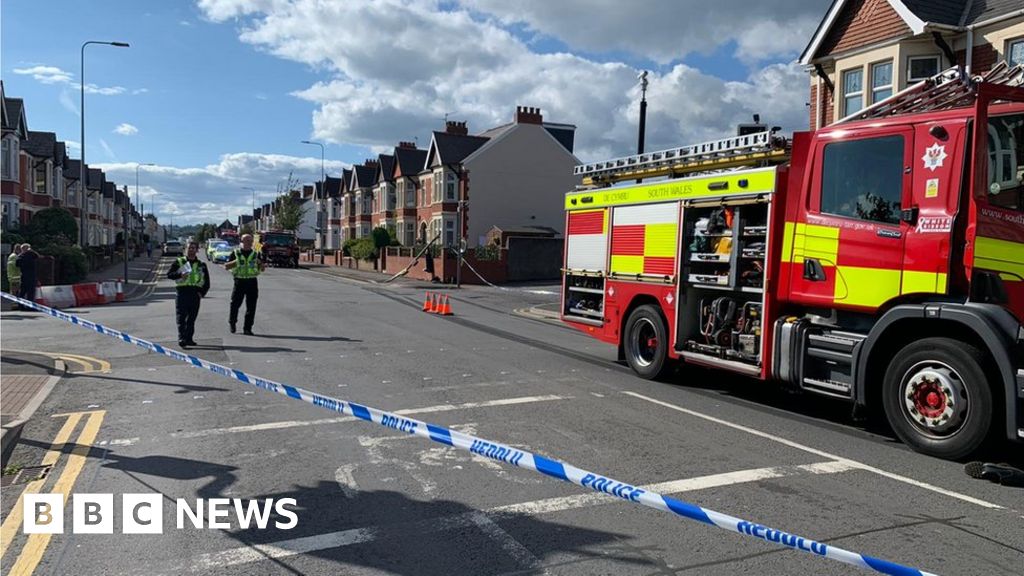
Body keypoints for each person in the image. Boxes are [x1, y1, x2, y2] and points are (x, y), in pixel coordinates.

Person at [167, 241, 210, 348]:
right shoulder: (179, 262)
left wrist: (202, 293)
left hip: (195, 294)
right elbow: (169, 275)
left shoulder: (201, 264)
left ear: (197, 250)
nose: (191, 250)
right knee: (181, 318)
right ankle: (182, 338)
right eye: (189, 248)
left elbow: (206, 281)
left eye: (193, 248)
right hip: (182, 293)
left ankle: (189, 339)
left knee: (191, 318)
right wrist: (180, 274)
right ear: (186, 249)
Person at [225, 233, 265, 335]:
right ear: (241, 242)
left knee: (251, 307)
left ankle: (247, 328)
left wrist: (261, 265)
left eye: (250, 241)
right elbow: (227, 266)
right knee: (235, 304)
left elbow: (262, 269)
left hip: (252, 281)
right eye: (246, 241)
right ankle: (232, 322)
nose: (249, 243)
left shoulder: (256, 254)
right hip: (239, 281)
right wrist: (236, 262)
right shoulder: (236, 253)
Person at [16, 243, 39, 309]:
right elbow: (37, 256)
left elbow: (17, 264)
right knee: (31, 292)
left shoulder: (20, 256)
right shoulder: (31, 255)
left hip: (23, 275)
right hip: (31, 276)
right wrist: (31, 251)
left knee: (22, 291)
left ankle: (20, 306)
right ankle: (30, 307)